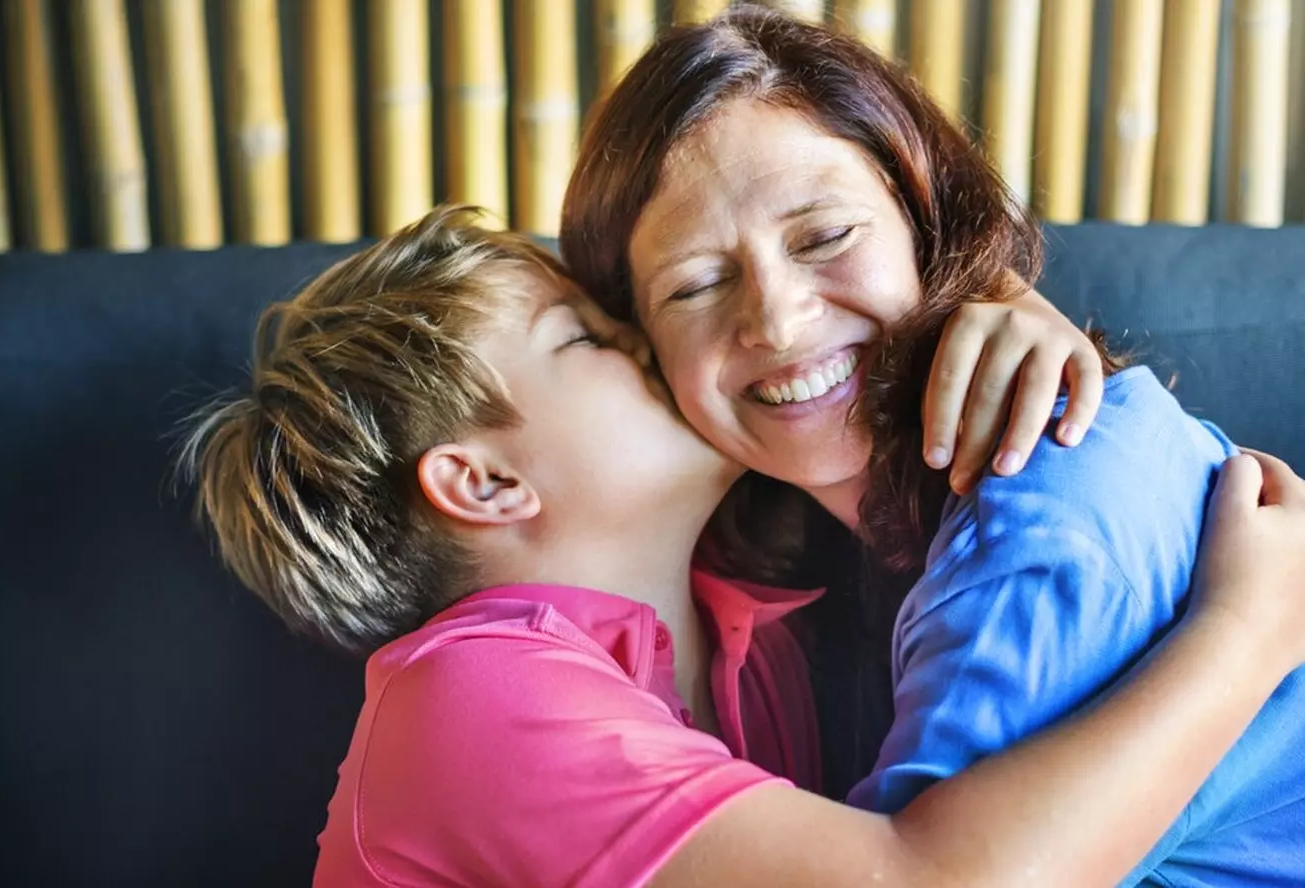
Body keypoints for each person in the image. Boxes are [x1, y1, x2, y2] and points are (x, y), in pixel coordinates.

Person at [182, 207, 1305, 888]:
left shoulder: (744, 620)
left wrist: (1001, 308)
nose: (659, 346)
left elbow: (848, 373)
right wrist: (1249, 631)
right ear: (483, 482)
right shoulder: (472, 698)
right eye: (588, 339)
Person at [559, 7, 1305, 886]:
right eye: (697, 284)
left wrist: (1247, 631)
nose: (776, 318)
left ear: (927, 222)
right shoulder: (794, 532)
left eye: (826, 236)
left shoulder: (1038, 519)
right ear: (638, 340)